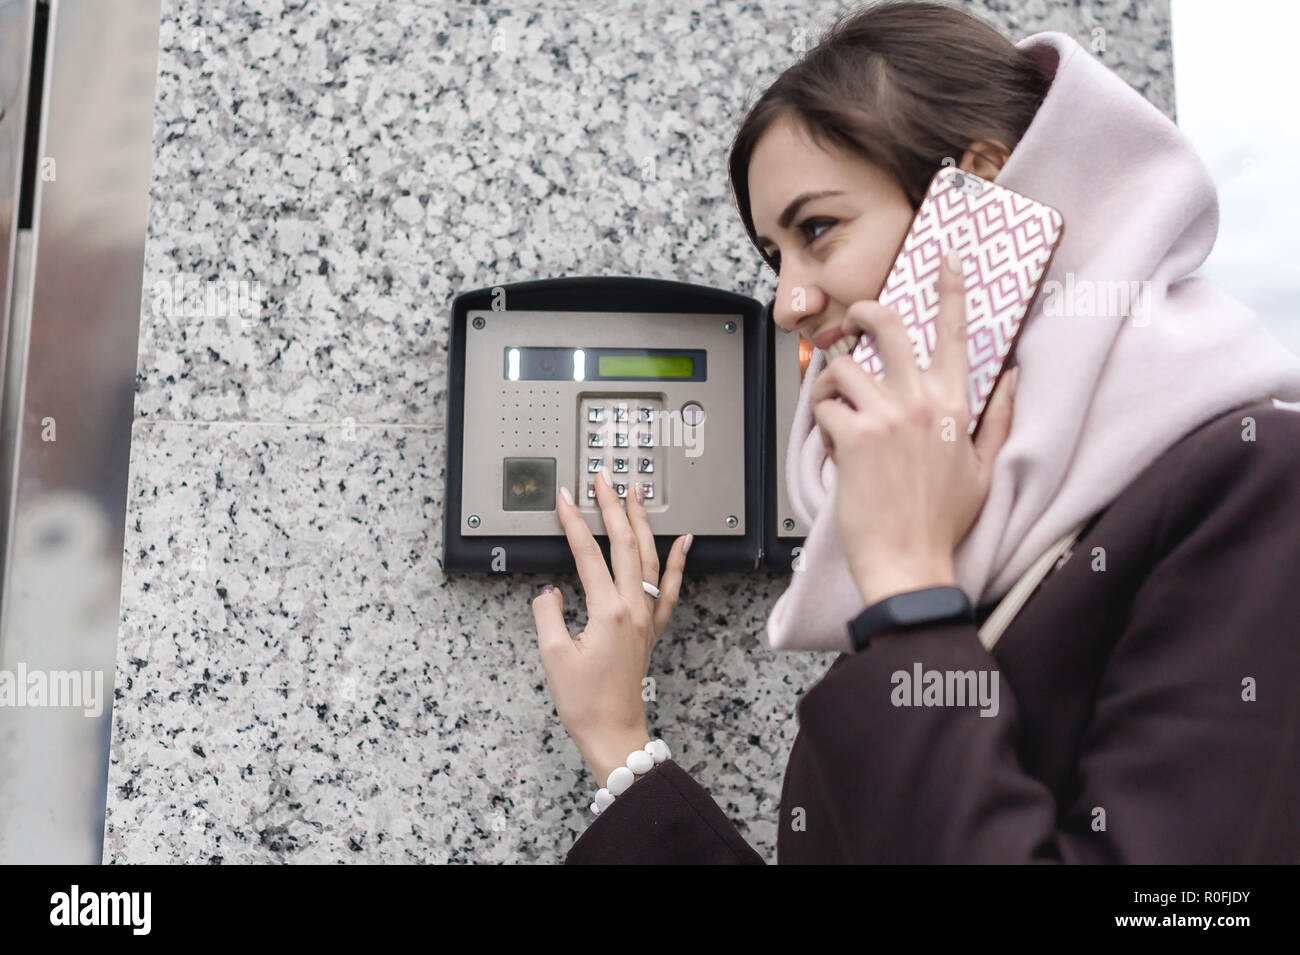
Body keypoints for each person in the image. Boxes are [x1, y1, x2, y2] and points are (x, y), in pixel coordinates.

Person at [530, 0, 1300, 863]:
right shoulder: (966, 540)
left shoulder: (1257, 486)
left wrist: (907, 594)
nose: (787, 302)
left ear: (982, 198)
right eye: (774, 255)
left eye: (817, 230)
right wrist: (618, 743)